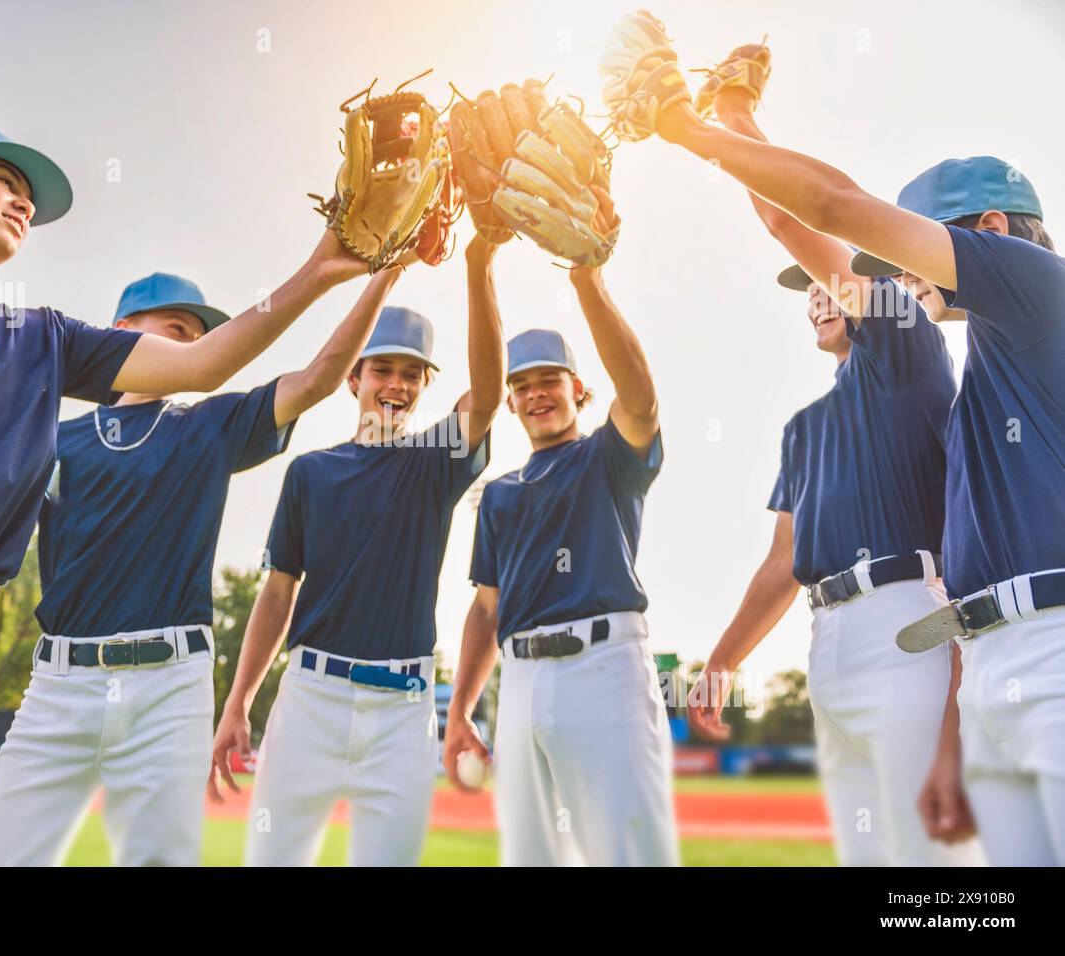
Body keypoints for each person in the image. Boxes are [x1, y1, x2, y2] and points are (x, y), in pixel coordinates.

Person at [0, 120, 370, 865]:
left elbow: (205, 364)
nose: (25, 201)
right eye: (7, 181)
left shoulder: (43, 337)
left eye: (31, 197)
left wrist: (322, 268)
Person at [637, 20, 1065, 864]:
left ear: (991, 231)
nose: (899, 280)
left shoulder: (1035, 287)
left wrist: (692, 126)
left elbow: (816, 214)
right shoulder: (992, 354)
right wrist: (731, 111)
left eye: (911, 254)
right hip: (989, 657)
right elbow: (803, 220)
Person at [0, 263, 406, 867]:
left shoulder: (208, 427)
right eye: (177, 328)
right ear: (122, 331)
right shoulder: (55, 438)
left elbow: (321, 377)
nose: (194, 346)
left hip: (168, 687)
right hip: (59, 685)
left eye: (199, 337)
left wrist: (384, 277)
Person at [686, 71, 980, 865]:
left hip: (907, 627)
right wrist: (721, 662)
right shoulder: (803, 427)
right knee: (868, 859)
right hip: (829, 642)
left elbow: (788, 215)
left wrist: (732, 114)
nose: (817, 295)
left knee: (929, 870)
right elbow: (783, 562)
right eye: (807, 290)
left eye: (828, 282)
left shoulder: (909, 346)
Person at [209, 235, 505, 866]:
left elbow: (486, 393)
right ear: (354, 378)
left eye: (410, 373)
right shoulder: (310, 472)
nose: (395, 384)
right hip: (310, 698)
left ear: (425, 385)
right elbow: (278, 593)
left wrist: (479, 266)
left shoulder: (436, 463)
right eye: (382, 369)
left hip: (403, 713)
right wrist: (238, 701)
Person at [444, 253, 677, 867]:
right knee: (531, 857)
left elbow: (641, 398)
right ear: (512, 404)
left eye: (548, 379)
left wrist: (587, 282)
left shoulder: (608, 456)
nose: (534, 392)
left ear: (578, 388)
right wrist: (462, 708)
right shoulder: (497, 493)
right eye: (520, 385)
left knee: (628, 852)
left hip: (603, 667)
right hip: (518, 681)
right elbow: (486, 608)